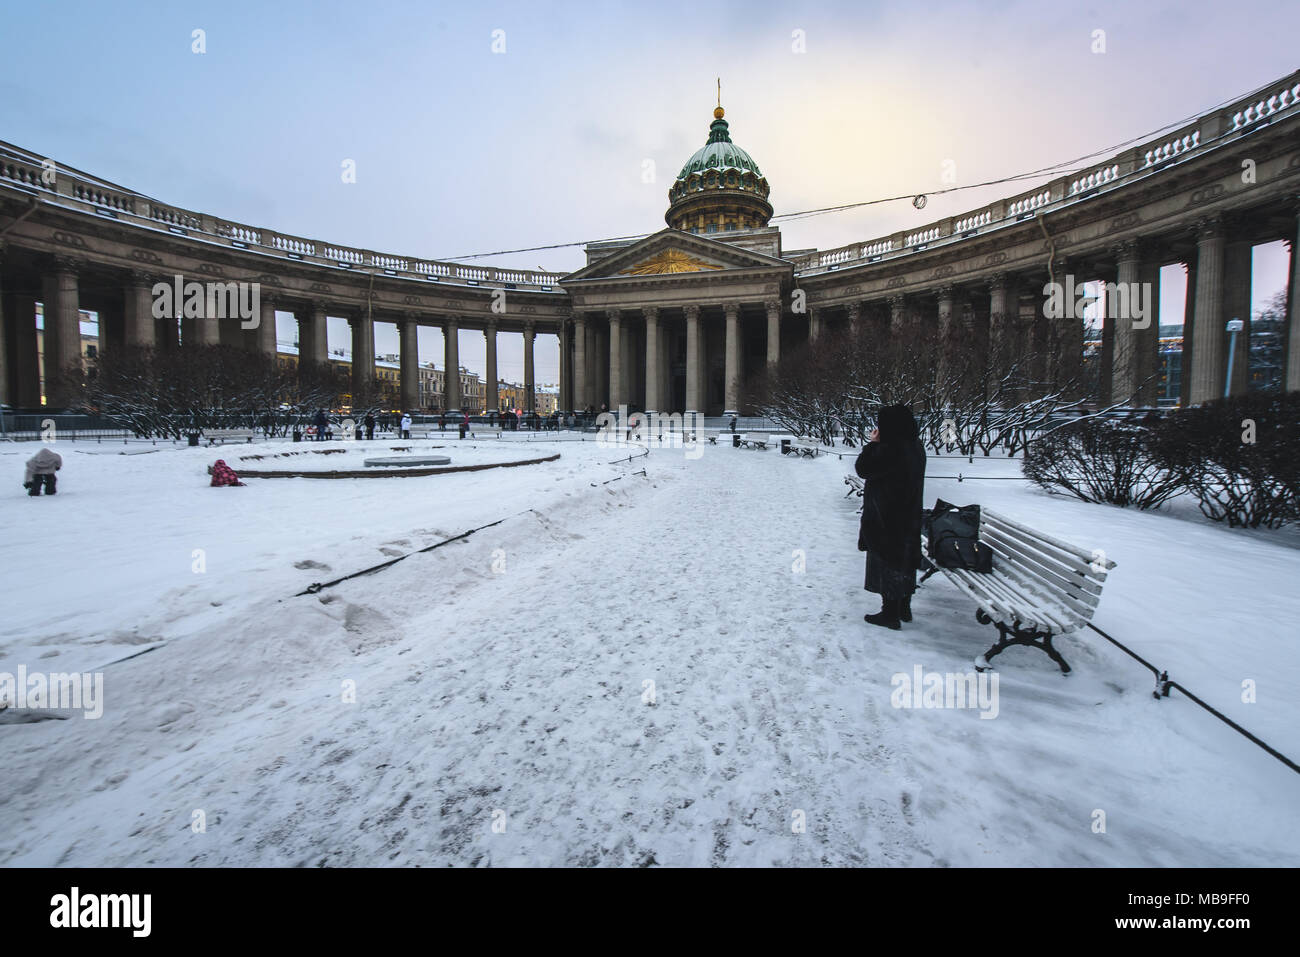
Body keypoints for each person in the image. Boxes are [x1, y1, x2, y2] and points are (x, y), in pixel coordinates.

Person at [855, 404, 926, 629]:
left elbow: (863, 469)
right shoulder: (915, 446)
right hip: (908, 514)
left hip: (885, 515)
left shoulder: (889, 448)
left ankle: (889, 614)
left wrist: (872, 445)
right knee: (904, 561)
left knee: (887, 562)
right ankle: (904, 607)